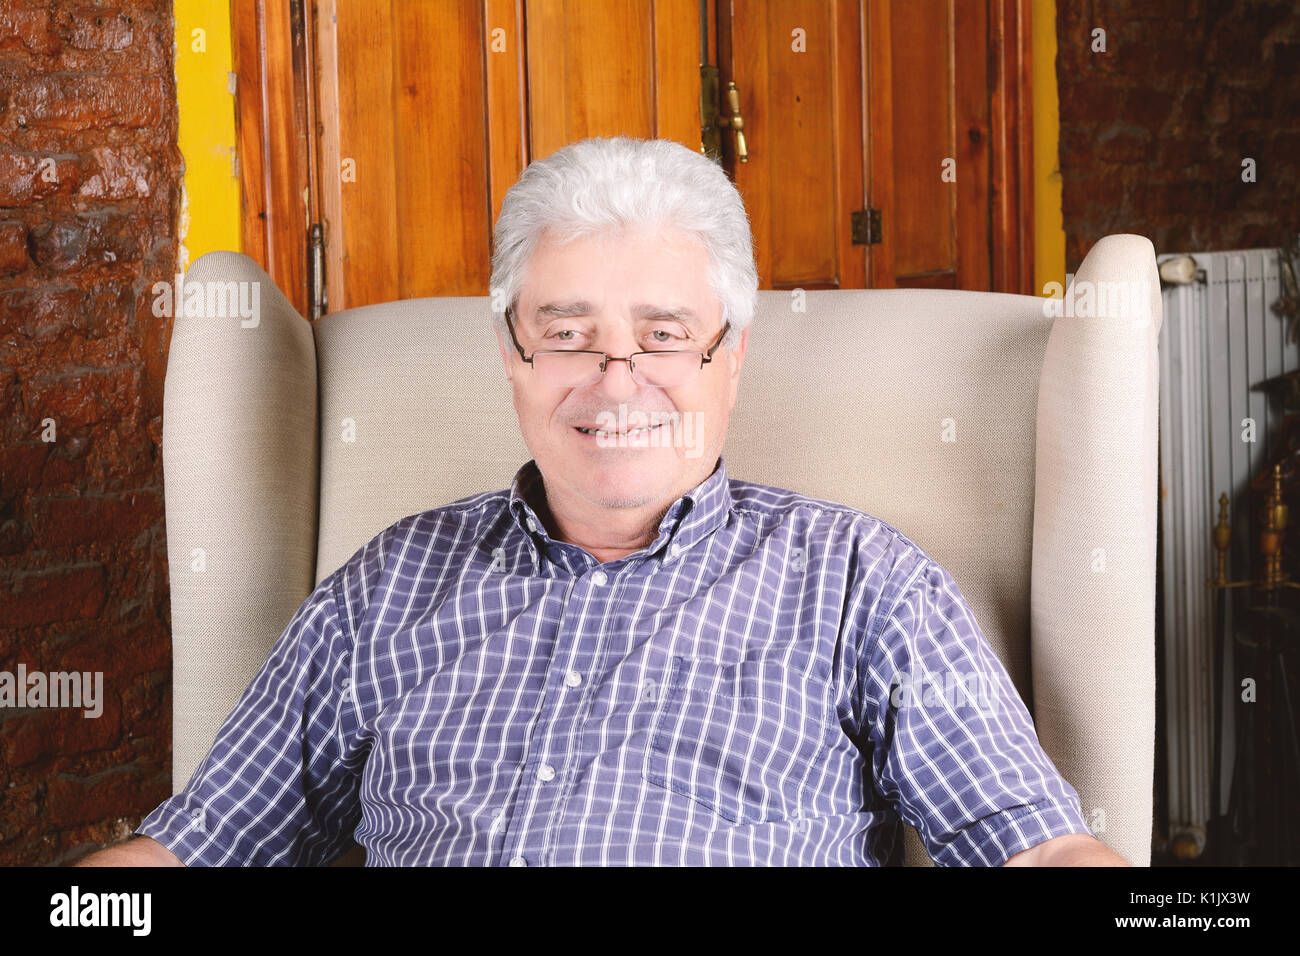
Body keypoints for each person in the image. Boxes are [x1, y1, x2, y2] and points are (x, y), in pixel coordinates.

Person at [78, 136, 1127, 867]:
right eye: (569, 333)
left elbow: (1029, 839)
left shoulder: (857, 580)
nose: (617, 380)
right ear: (511, 354)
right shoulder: (388, 584)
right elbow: (200, 844)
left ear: (732, 354)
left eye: (664, 334)